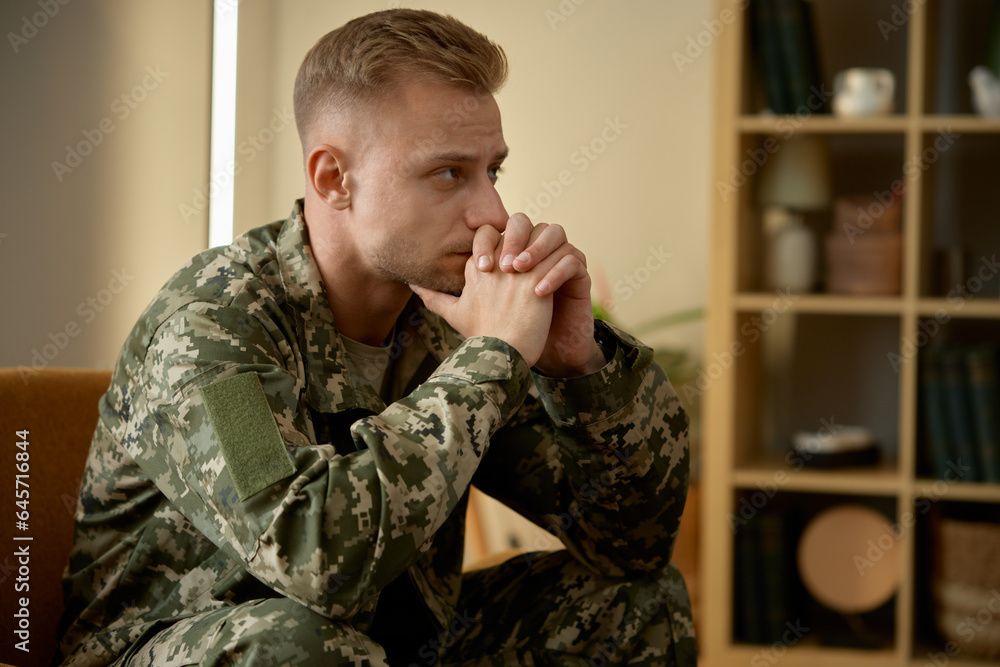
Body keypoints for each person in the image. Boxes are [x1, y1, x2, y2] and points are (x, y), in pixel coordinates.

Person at [54, 8, 694, 666]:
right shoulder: (209, 329)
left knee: (637, 602)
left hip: (388, 644)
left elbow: (631, 544)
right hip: (196, 648)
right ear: (334, 178)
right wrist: (492, 361)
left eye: (492, 172)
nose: (494, 214)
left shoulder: (453, 317)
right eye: (449, 173)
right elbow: (312, 552)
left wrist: (577, 367)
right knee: (296, 646)